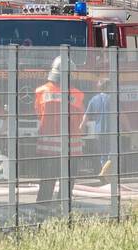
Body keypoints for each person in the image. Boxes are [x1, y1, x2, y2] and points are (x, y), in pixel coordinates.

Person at [33, 56, 84, 209]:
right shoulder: (77, 94)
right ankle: (63, 212)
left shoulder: (41, 92)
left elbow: (38, 113)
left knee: (46, 182)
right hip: (71, 149)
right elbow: (79, 117)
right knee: (67, 183)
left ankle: (41, 213)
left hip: (47, 149)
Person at [81, 77, 114, 181]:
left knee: (103, 154)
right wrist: (128, 128)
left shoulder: (93, 99)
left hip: (99, 131)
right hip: (111, 131)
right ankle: (104, 173)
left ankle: (105, 179)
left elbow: (86, 115)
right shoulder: (112, 98)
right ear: (108, 87)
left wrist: (82, 126)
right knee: (114, 154)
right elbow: (121, 115)